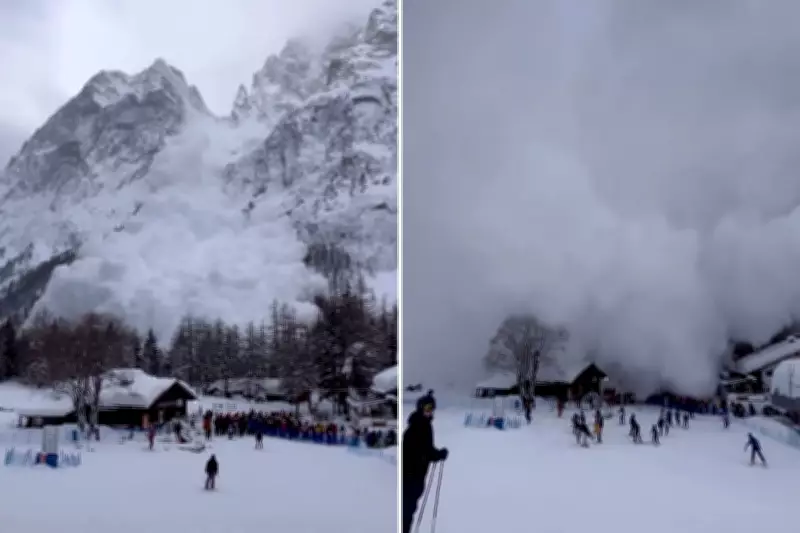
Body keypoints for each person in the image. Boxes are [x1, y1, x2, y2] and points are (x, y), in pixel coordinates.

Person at [403, 396, 447, 533]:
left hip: (416, 476)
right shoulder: (419, 426)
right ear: (421, 408)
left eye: (432, 409)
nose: (430, 412)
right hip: (410, 477)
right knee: (406, 512)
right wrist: (437, 455)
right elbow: (423, 450)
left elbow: (427, 449)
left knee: (408, 511)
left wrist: (437, 454)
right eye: (427, 408)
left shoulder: (423, 425)